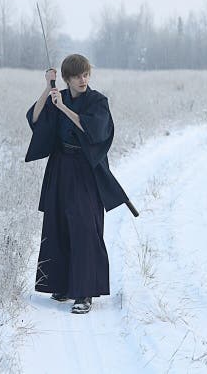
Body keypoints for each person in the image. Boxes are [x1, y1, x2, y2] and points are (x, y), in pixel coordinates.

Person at [25, 54, 129, 314]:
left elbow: (93, 130)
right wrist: (47, 87)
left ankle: (84, 293)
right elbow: (35, 119)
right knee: (58, 223)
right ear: (67, 78)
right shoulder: (59, 96)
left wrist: (63, 109)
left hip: (86, 170)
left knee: (85, 227)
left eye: (86, 75)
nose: (83, 79)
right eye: (77, 76)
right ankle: (61, 285)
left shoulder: (97, 101)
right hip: (60, 168)